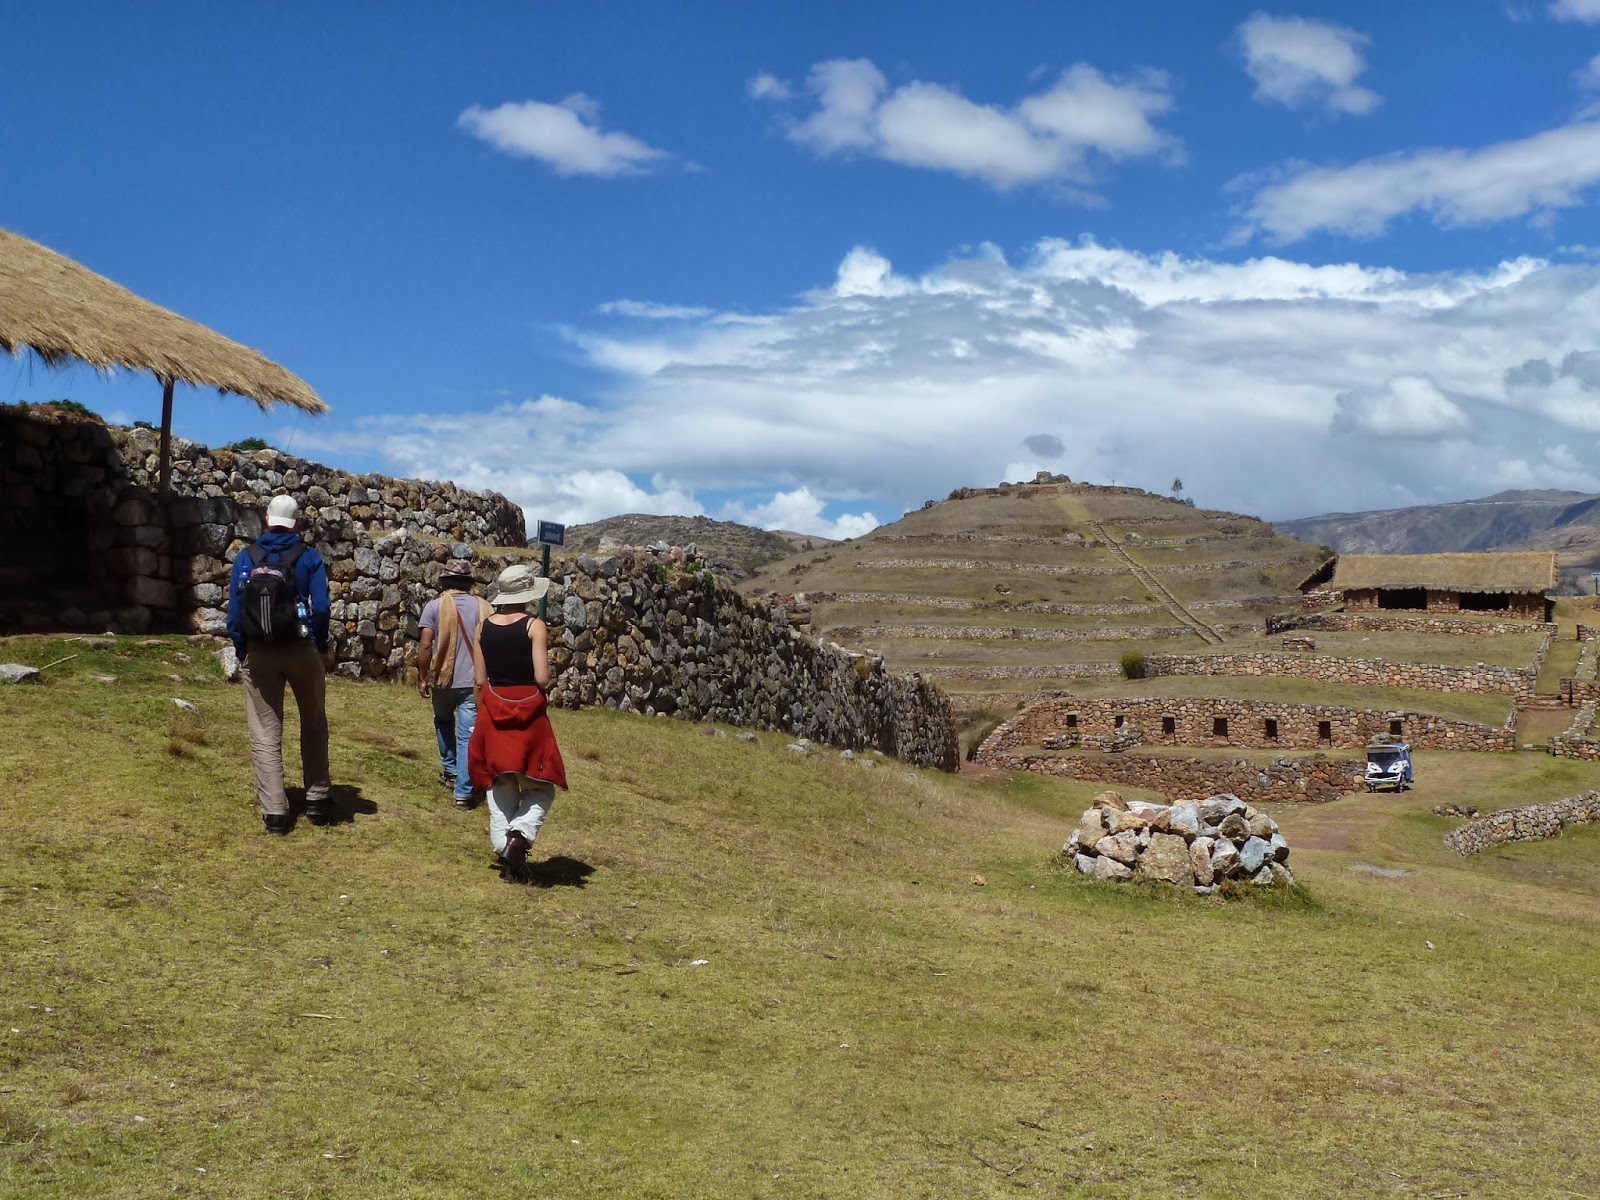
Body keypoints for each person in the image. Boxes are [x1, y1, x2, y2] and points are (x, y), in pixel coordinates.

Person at [225, 494, 332, 835]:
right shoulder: (309, 557)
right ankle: (316, 798)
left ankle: (275, 811)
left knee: (265, 730)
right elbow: (322, 607)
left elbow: (234, 617)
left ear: (266, 520)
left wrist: (245, 649)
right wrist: (316, 641)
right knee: (313, 721)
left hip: (260, 652)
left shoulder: (246, 558)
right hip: (301, 648)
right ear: (296, 523)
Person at [466, 563, 567, 872]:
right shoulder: (534, 626)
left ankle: (504, 846)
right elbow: (542, 679)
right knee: (540, 786)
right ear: (527, 594)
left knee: (499, 785)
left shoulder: (482, 627)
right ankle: (519, 836)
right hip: (527, 715)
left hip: (492, 711)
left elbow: (480, 680)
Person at [415, 558, 484, 809]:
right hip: (473, 683)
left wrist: (423, 677)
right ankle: (463, 794)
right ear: (468, 583)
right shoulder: (483, 607)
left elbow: (425, 645)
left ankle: (451, 771)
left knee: (443, 722)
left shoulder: (433, 607)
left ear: (444, 581)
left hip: (443, 681)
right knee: (468, 735)